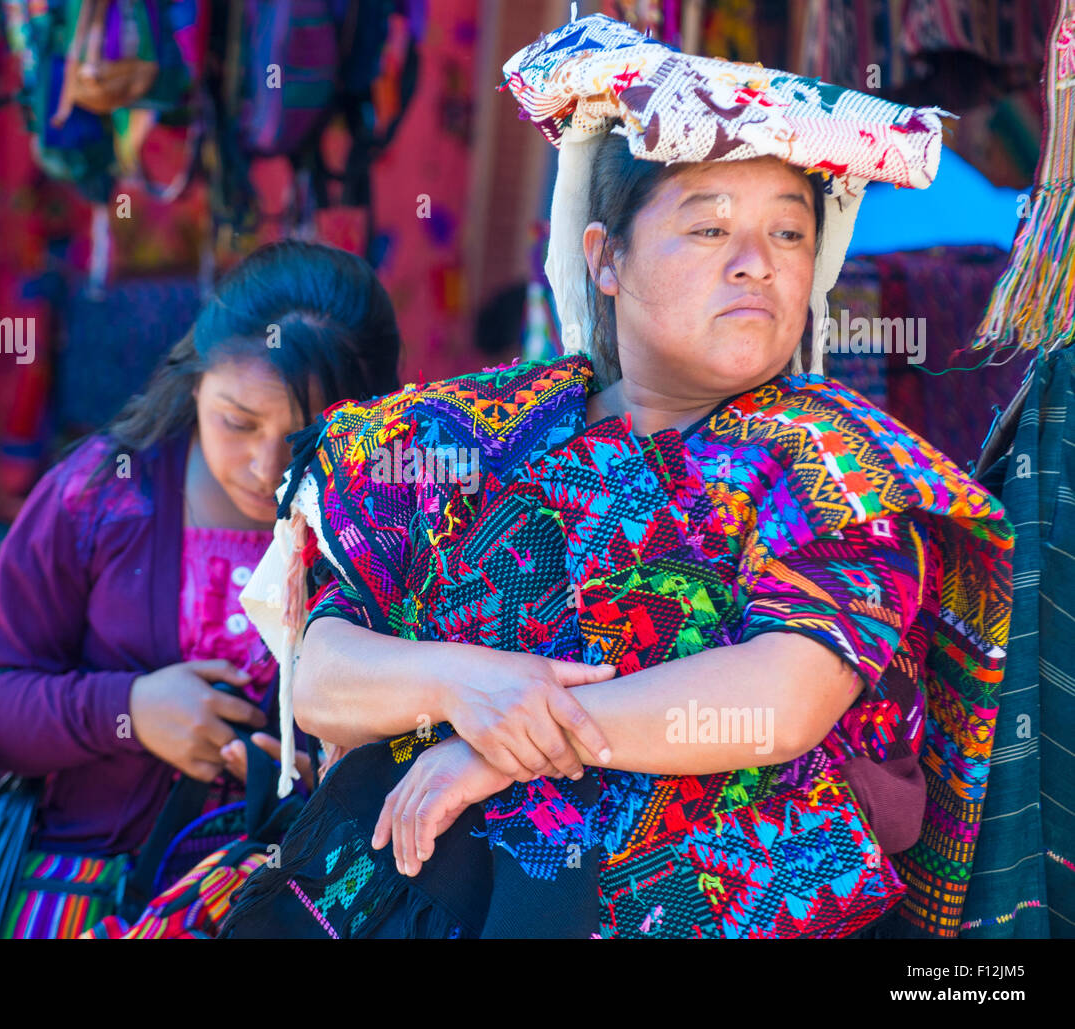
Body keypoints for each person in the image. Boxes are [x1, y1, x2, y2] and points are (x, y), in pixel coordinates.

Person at [221, 15, 1014, 940]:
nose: (756, 263)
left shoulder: (837, 466)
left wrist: (503, 752)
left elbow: (780, 700)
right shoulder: (470, 438)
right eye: (709, 225)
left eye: (789, 235)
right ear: (606, 258)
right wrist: (466, 684)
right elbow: (321, 677)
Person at [0, 240, 402, 938]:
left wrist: (326, 778)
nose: (264, 466)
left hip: (288, 904)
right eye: (237, 422)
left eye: (307, 437)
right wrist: (128, 708)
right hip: (87, 892)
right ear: (195, 380)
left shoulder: (399, 529)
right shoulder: (101, 495)